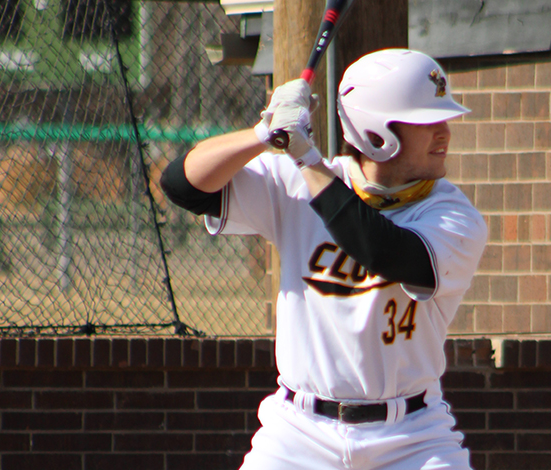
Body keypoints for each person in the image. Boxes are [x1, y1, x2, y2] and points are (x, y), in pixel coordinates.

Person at [159, 48, 487, 469]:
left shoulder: (453, 213)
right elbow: (182, 186)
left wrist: (306, 159)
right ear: (375, 132)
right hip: (299, 432)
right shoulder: (297, 183)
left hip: (412, 437)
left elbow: (385, 251)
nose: (444, 133)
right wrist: (261, 133)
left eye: (442, 119)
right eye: (426, 122)